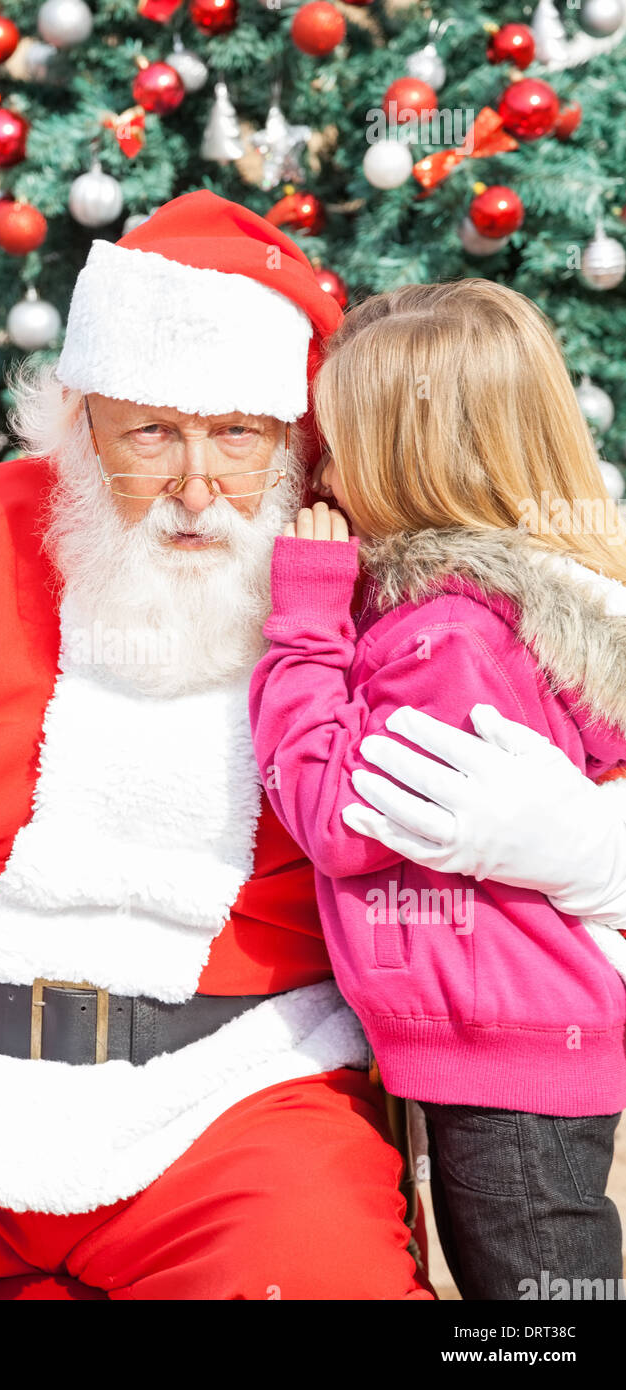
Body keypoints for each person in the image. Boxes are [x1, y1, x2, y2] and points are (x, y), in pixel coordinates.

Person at [0, 202, 624, 1302]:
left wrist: (592, 845)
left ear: (298, 440)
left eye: (238, 434)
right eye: (150, 433)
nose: (196, 489)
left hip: (228, 1099)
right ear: (79, 421)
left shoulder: (377, 571)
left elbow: (576, 668)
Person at [248, 278, 626, 1301]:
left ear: (402, 458)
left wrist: (304, 621)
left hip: (498, 1058)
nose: (314, 468)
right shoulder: (500, 609)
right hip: (498, 1048)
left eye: (334, 442)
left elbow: (337, 815)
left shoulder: (441, 637)